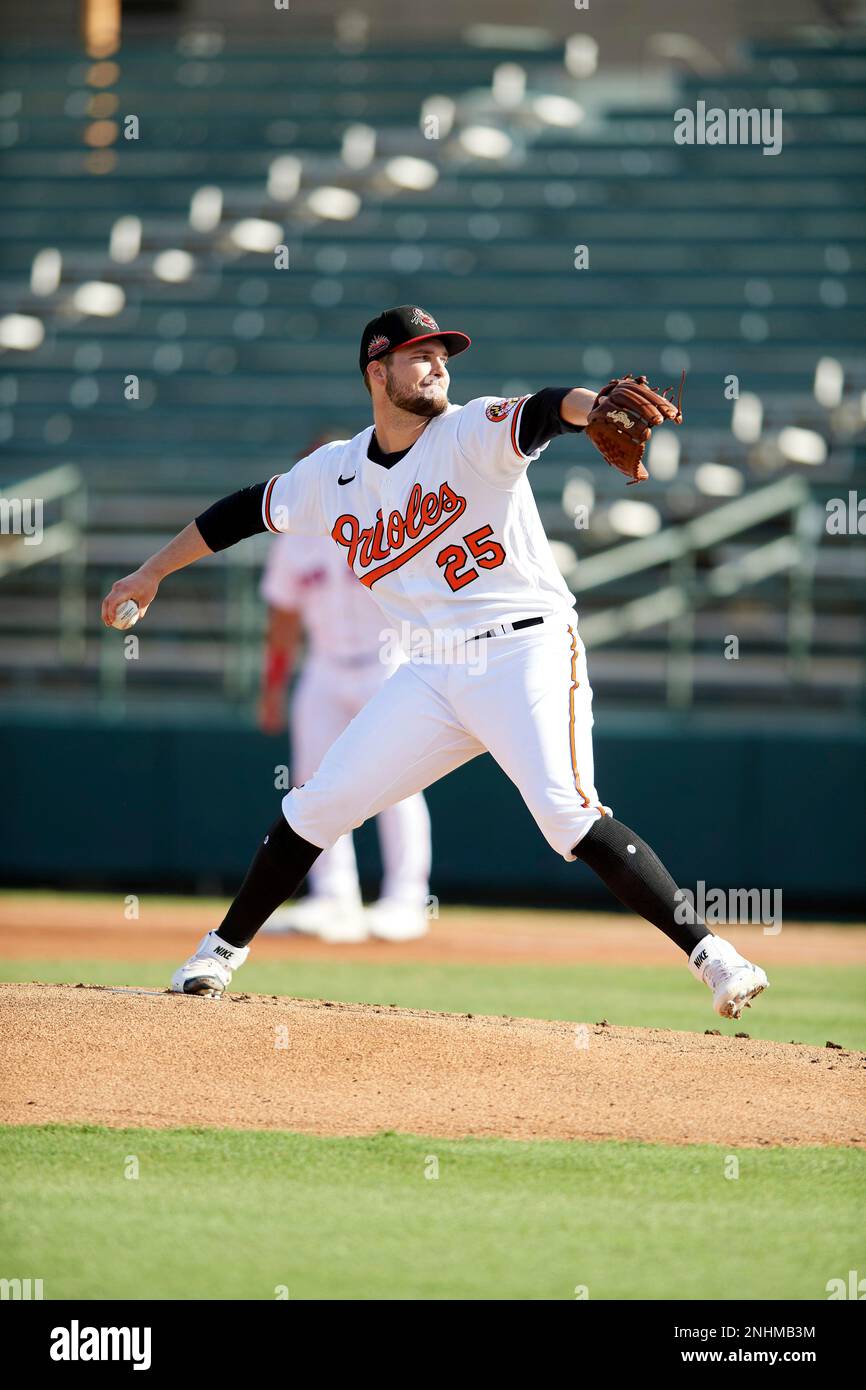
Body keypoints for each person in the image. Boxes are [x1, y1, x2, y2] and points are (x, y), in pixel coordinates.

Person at [102, 303, 769, 1018]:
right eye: (420, 354)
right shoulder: (333, 473)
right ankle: (217, 954)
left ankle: (717, 958)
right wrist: (151, 572)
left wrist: (594, 405)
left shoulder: (469, 431)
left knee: (566, 816)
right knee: (319, 803)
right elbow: (240, 514)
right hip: (428, 671)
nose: (438, 365)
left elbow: (548, 409)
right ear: (377, 370)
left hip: (526, 649)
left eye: (443, 354)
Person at [258, 525, 431, 943]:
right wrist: (273, 686)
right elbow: (283, 615)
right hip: (323, 667)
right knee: (314, 785)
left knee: (397, 783)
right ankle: (334, 897)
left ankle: (406, 900)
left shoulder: (382, 517)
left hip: (388, 662)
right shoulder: (294, 538)